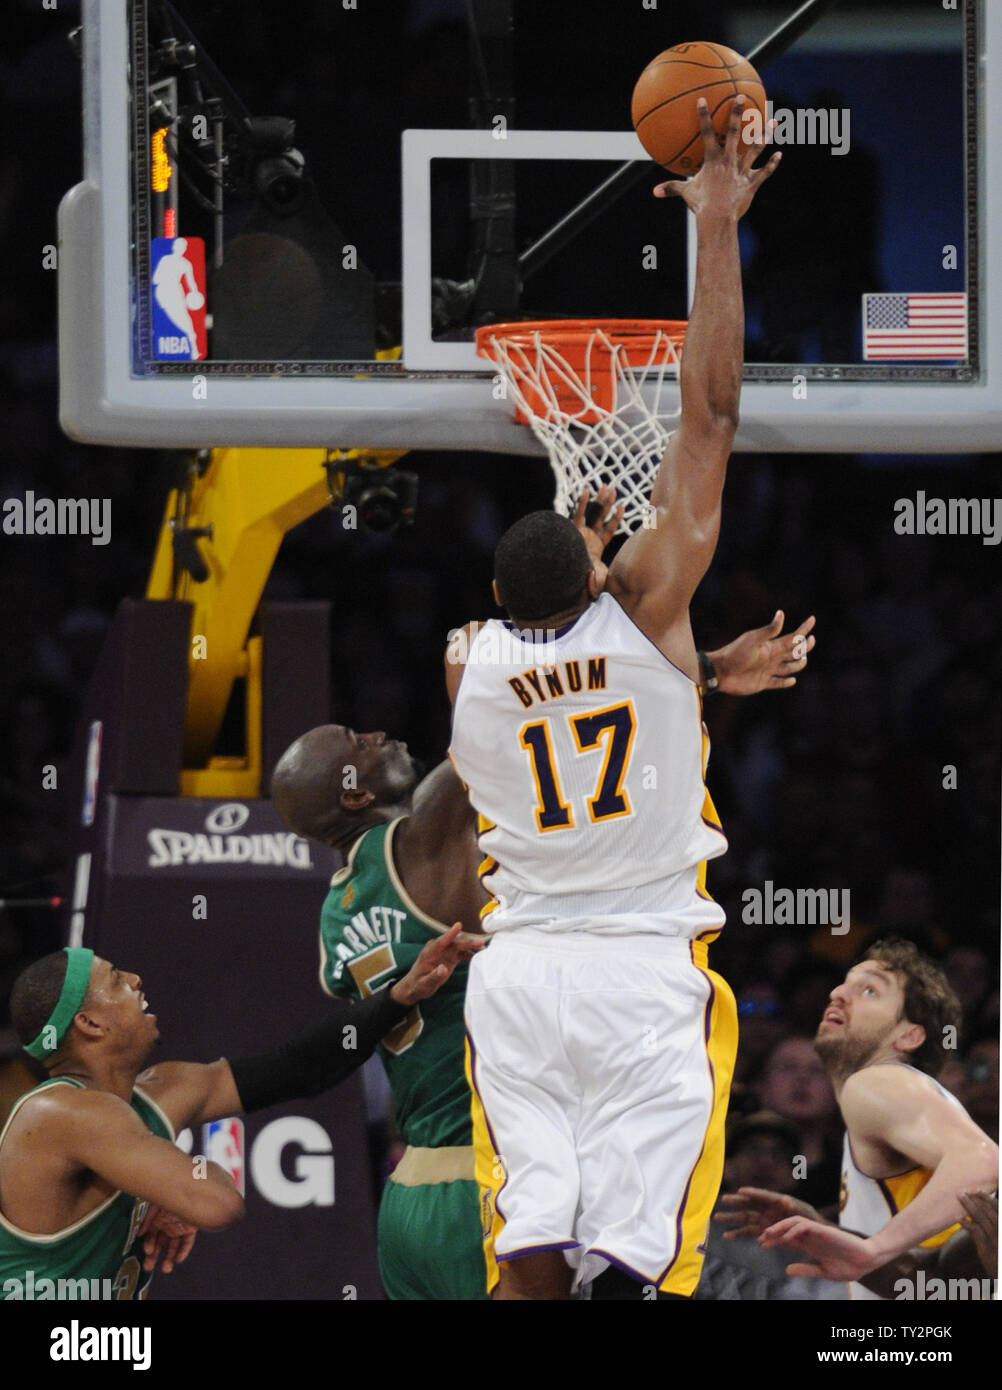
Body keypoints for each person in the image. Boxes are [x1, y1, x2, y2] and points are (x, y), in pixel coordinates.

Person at [446, 96, 782, 1300]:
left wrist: (694, 681)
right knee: (640, 1262)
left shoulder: (466, 659)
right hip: (640, 966)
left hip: (522, 971)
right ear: (597, 561)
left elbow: (538, 637)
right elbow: (711, 413)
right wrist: (716, 223)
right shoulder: (645, 604)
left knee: (531, 1232)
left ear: (497, 586)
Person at [270, 602, 814, 1300]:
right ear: (351, 796)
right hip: (485, 1179)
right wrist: (705, 669)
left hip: (406, 1196)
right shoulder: (417, 843)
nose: (377, 733)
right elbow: (493, 727)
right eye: (357, 741)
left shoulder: (333, 919)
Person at [0, 935, 477, 1299]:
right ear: (90, 1024)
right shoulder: (61, 1112)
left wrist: (398, 997)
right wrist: (184, 1179)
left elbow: (298, 1068)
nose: (135, 979)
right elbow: (217, 1204)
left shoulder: (163, 1091)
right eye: (114, 979)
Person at [716, 938, 999, 1299]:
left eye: (868, 991)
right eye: (845, 985)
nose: (838, 994)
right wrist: (825, 1235)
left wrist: (873, 1249)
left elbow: (984, 1159)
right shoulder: (884, 1107)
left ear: (909, 1035)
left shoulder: (877, 1084)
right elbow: (928, 1283)